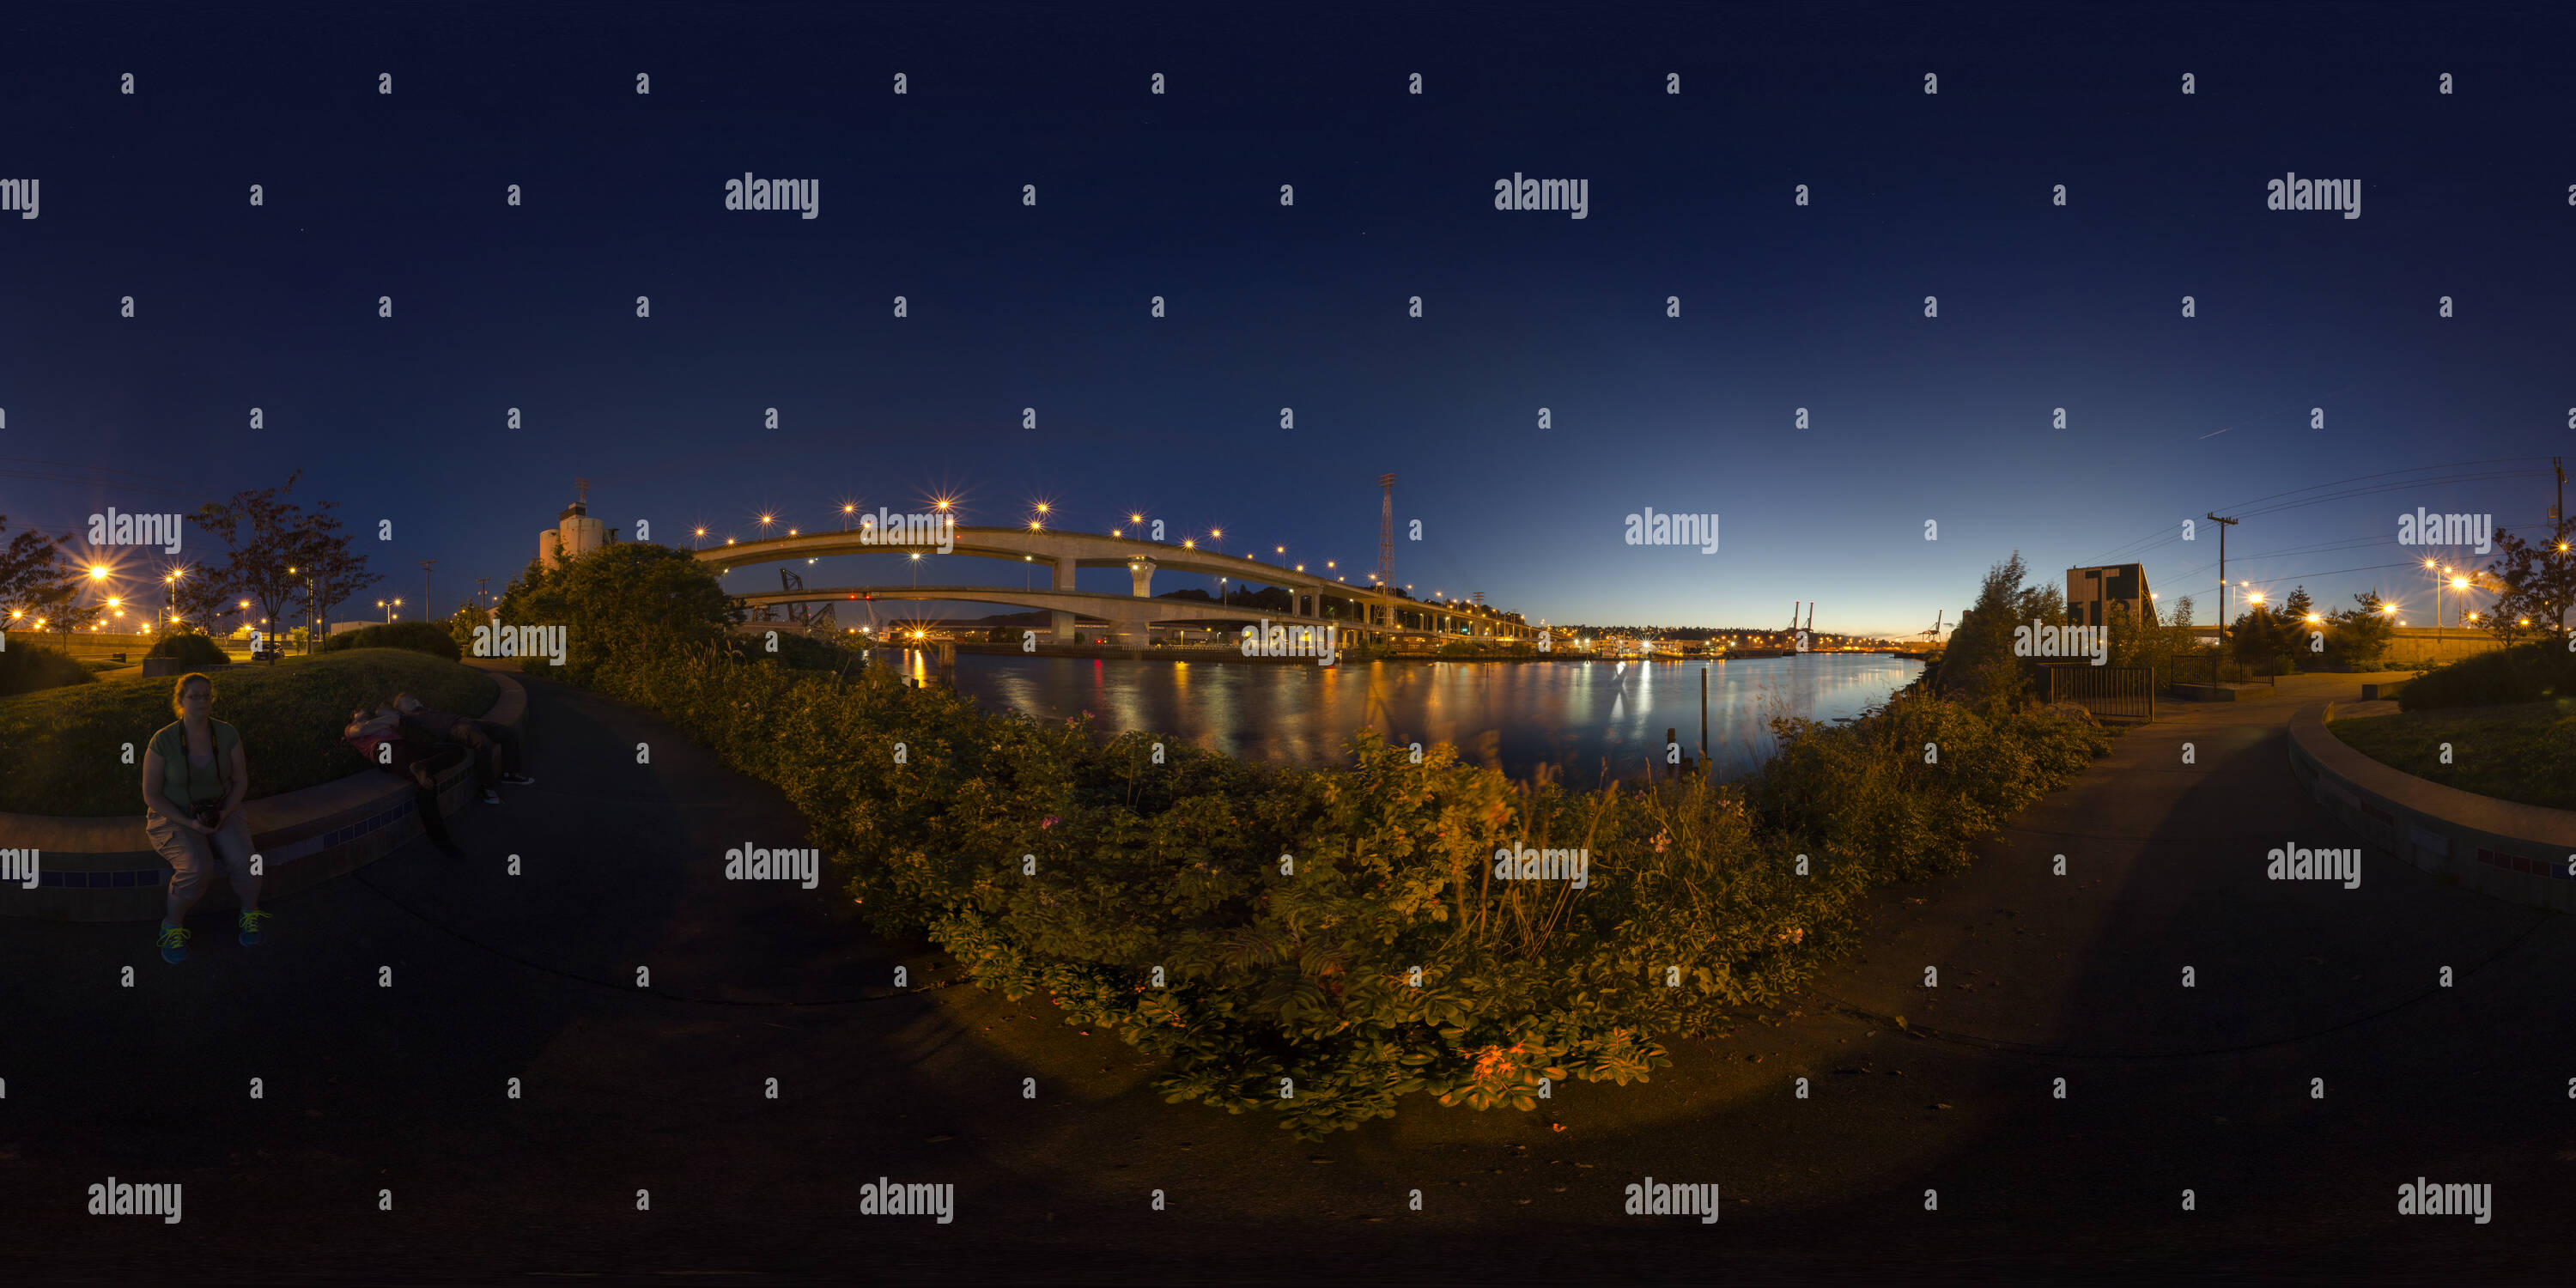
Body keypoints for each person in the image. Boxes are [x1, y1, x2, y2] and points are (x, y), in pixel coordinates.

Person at [140, 672, 268, 963]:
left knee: (247, 861)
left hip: (221, 809)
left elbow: (240, 781)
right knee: (197, 867)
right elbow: (151, 795)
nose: (201, 701)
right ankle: (171, 926)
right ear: (181, 701)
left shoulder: (226, 734)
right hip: (174, 815)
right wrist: (189, 824)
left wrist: (224, 812)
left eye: (206, 695)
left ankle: (250, 912)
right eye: (194, 696)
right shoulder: (163, 740)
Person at [345, 702, 467, 856]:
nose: (362, 711)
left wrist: (376, 723)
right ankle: (441, 840)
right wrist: (381, 722)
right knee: (425, 785)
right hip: (382, 751)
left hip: (406, 745)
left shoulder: (380, 723)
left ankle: (423, 766)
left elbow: (395, 719)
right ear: (353, 717)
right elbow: (362, 729)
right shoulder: (351, 728)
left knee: (458, 751)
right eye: (357, 710)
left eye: (364, 710)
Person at [392, 691, 531, 805]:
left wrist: (418, 706)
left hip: (466, 720)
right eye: (405, 703)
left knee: (508, 733)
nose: (411, 702)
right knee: (483, 743)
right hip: (455, 729)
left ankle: (510, 773)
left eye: (411, 700)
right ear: (402, 710)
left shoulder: (425, 710)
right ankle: (487, 787)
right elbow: (385, 713)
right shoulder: (408, 717)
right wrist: (398, 713)